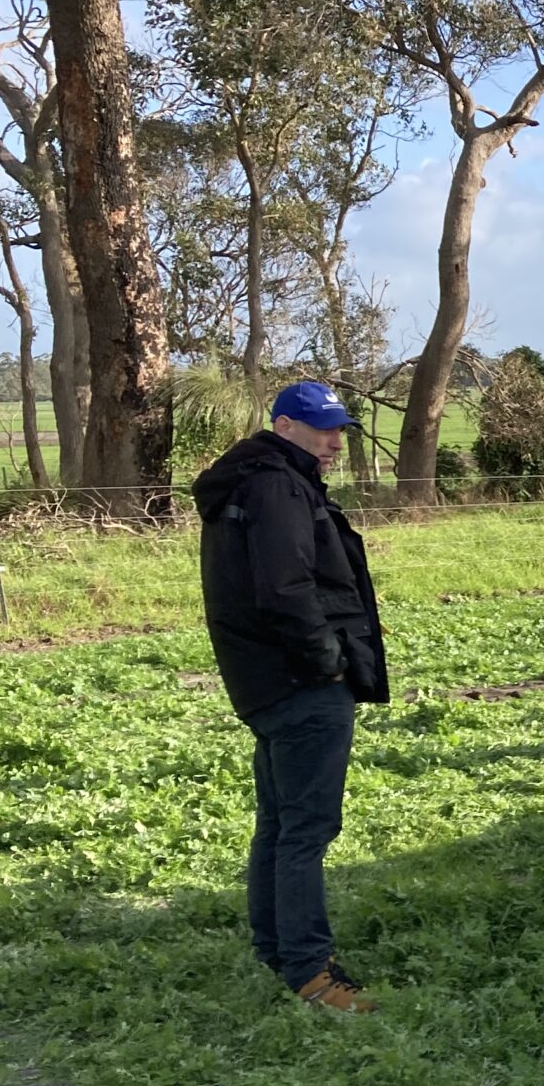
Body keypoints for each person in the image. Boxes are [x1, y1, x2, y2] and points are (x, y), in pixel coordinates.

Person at [194, 380, 389, 1014]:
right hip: (300, 684)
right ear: (284, 427)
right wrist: (327, 663)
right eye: (322, 429)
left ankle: (276, 951)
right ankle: (312, 973)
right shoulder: (277, 487)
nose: (335, 441)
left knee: (278, 823)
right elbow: (285, 589)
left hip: (263, 681)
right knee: (306, 829)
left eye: (340, 429)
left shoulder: (253, 482)